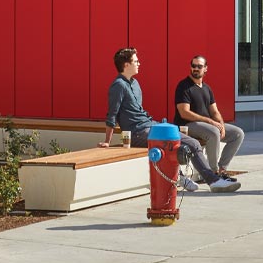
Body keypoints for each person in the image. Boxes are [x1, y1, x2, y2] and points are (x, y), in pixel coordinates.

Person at [99, 47, 239, 192]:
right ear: (126, 65)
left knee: (185, 144)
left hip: (150, 125)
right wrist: (107, 142)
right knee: (191, 143)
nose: (139, 63)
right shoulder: (118, 86)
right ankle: (213, 180)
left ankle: (181, 177)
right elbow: (112, 114)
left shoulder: (135, 83)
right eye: (136, 61)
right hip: (137, 132)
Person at [174, 54, 246, 183]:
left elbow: (215, 111)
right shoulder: (183, 86)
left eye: (199, 66)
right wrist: (211, 122)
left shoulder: (207, 88)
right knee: (213, 132)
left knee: (238, 133)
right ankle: (212, 174)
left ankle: (222, 170)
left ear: (205, 69)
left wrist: (221, 124)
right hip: (188, 124)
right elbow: (184, 113)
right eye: (193, 66)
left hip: (205, 124)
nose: (196, 68)